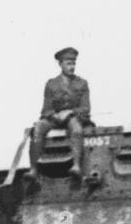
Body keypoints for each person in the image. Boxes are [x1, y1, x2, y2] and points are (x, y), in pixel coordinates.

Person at [33, 47, 92, 178]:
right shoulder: (51, 84)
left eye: (73, 63)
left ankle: (76, 165)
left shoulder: (82, 83)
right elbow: (46, 109)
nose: (72, 67)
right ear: (60, 64)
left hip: (73, 118)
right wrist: (55, 115)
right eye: (68, 63)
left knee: (76, 129)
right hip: (55, 120)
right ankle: (34, 169)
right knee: (38, 127)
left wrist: (70, 112)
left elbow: (85, 108)